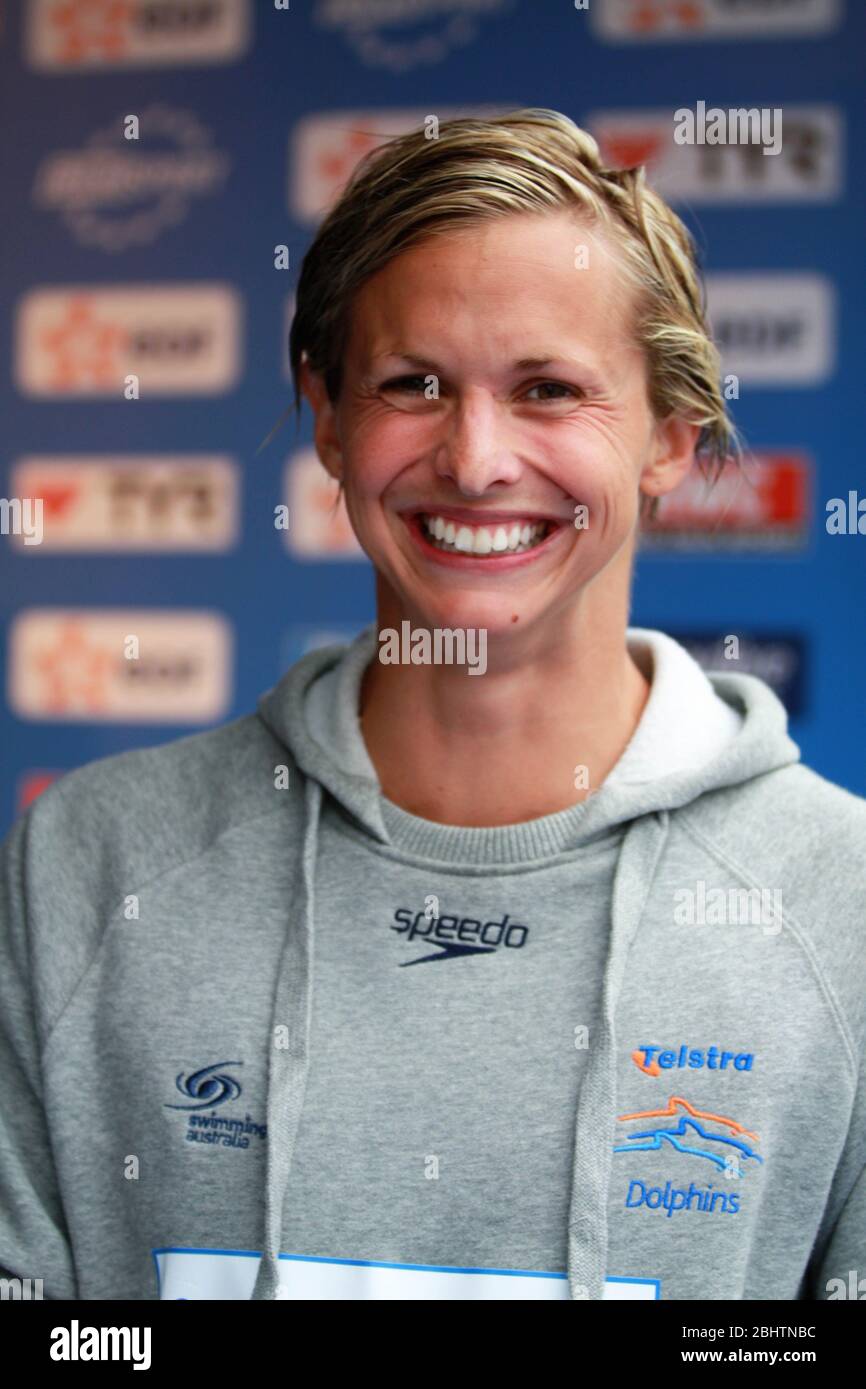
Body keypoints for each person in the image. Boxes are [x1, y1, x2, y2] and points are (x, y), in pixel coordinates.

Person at [1, 109, 864, 1303]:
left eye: (548, 389)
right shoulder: (89, 861)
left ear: (669, 433)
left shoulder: (839, 900)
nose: (474, 459)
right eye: (413, 383)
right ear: (328, 417)